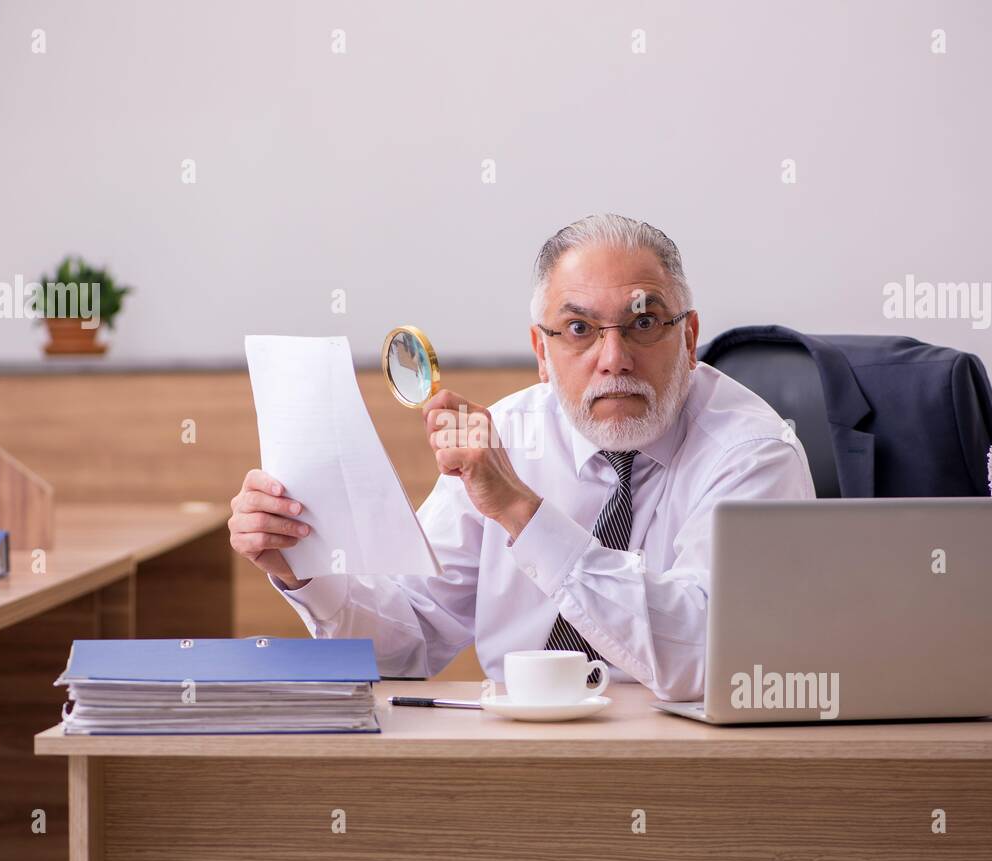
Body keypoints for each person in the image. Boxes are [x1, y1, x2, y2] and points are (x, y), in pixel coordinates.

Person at [229, 213, 815, 700]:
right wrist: (306, 571)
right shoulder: (506, 433)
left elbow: (711, 658)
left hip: (688, 762)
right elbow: (405, 644)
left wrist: (521, 512)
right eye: (579, 328)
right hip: (516, 754)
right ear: (541, 351)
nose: (614, 358)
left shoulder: (754, 454)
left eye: (643, 322)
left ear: (687, 338)